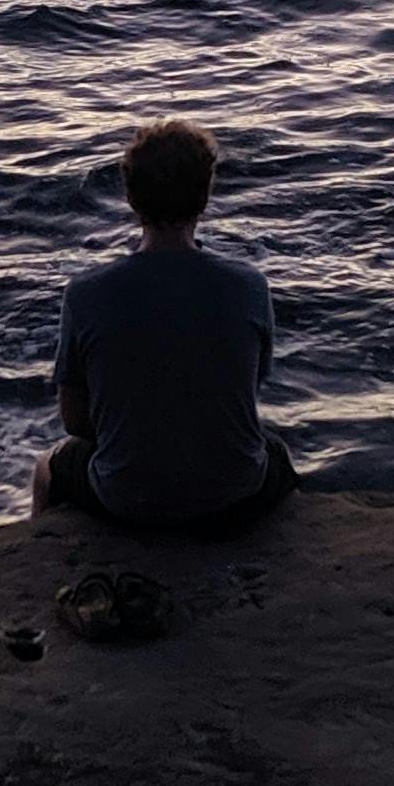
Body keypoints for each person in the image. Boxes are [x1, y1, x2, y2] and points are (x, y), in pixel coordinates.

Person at [32, 119, 298, 535]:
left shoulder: (85, 294)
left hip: (128, 500)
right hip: (235, 495)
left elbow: (74, 421)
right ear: (205, 196)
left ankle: (43, 560)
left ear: (130, 197)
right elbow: (249, 389)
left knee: (48, 467)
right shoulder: (249, 285)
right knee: (276, 452)